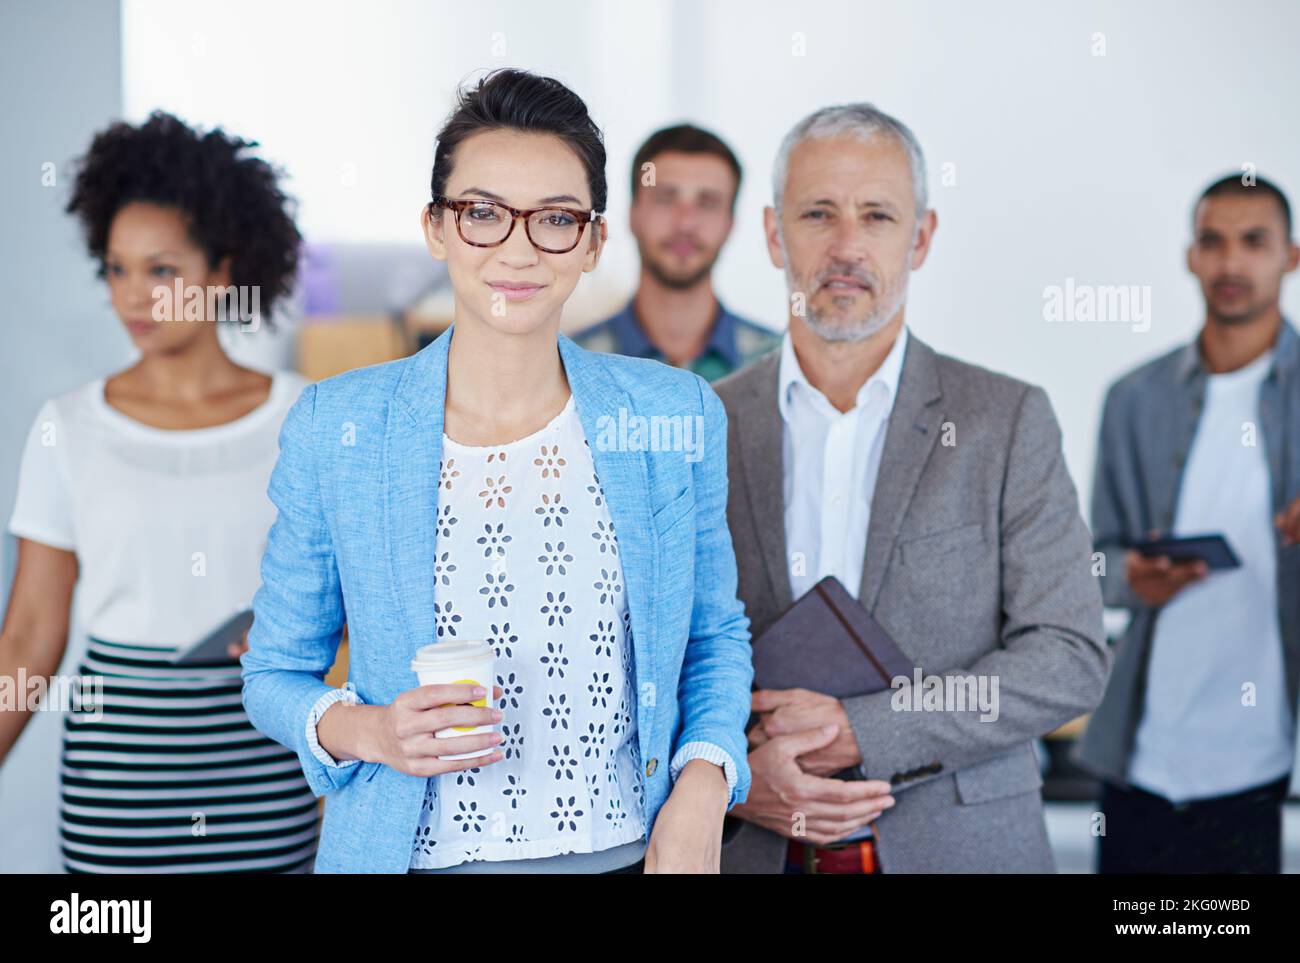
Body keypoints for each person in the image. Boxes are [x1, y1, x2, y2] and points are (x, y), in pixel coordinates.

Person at [241, 69, 753, 874]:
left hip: (630, 857)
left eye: (554, 219)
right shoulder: (338, 426)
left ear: (592, 242)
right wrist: (373, 730)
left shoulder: (670, 414)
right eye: (482, 213)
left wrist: (704, 784)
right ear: (437, 227)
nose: (517, 249)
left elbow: (713, 636)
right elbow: (274, 672)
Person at [713, 103, 1110, 873]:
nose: (847, 246)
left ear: (921, 237)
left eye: (879, 215)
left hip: (960, 850)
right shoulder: (707, 424)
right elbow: (650, 659)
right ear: (771, 234)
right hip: (756, 850)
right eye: (818, 213)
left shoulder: (1006, 420)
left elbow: (1067, 655)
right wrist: (729, 776)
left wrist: (871, 728)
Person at [0, 111, 317, 872]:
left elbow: (357, 605)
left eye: (162, 269)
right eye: (116, 268)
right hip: (116, 795)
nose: (133, 296)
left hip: (265, 776)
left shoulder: (308, 415)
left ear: (222, 270)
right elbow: (29, 635)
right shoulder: (67, 426)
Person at [1077, 174, 1300, 874]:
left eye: (1253, 242)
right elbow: (1092, 564)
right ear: (1190, 256)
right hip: (1140, 755)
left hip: (1260, 763)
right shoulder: (1132, 399)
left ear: (1290, 256)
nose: (1232, 263)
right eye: (1214, 241)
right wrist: (1131, 578)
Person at [572, 124, 778, 380]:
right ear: (632, 213)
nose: (685, 223)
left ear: (730, 223)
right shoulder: (571, 366)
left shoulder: (777, 366)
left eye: (708, 203)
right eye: (666, 198)